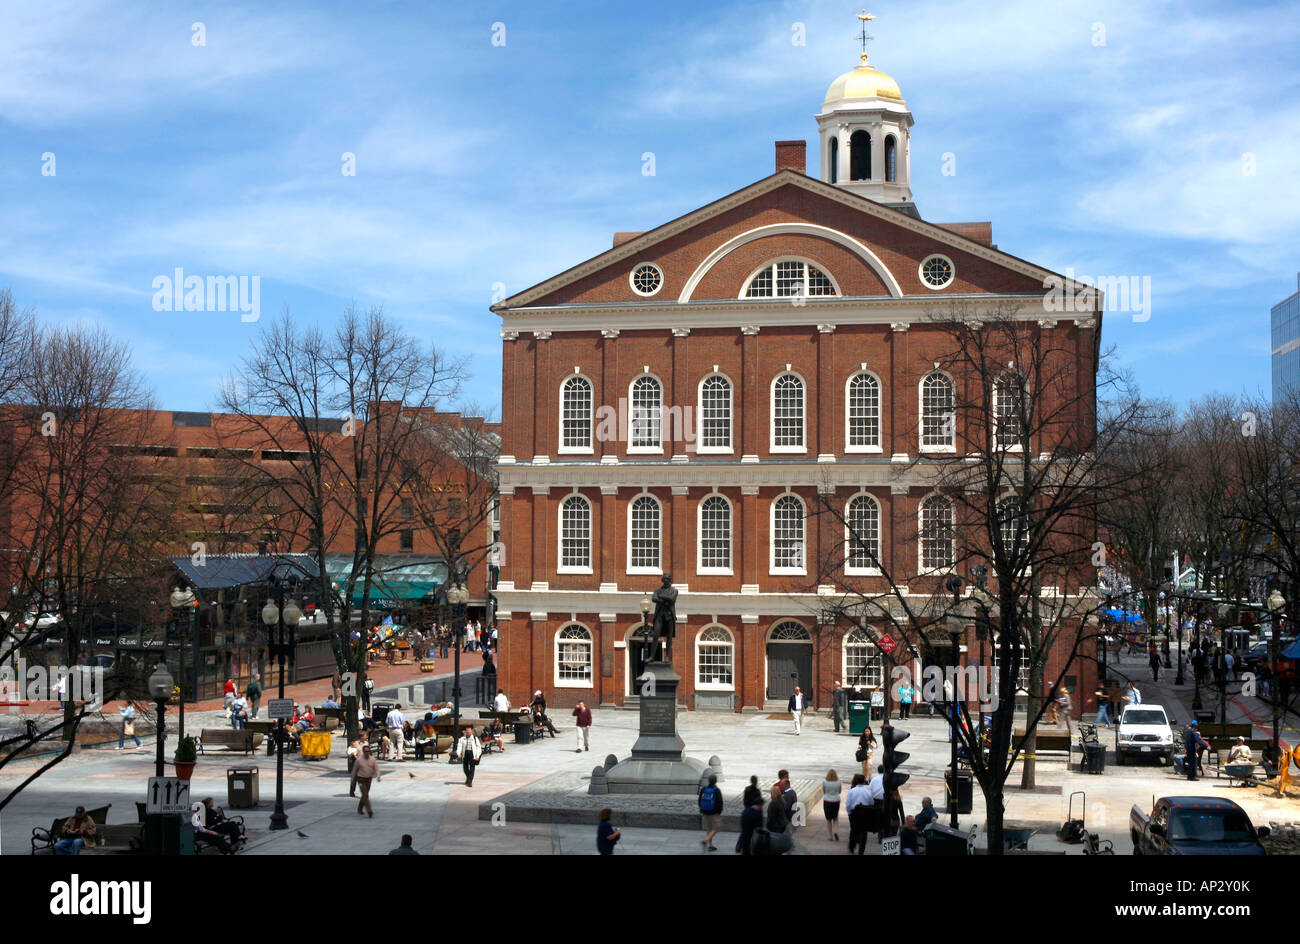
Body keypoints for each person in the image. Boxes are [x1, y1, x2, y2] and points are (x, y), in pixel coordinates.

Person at [764, 783, 794, 854]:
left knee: (774, 846)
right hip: (783, 825)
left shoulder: (773, 803)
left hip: (775, 827)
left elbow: (771, 817)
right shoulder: (782, 800)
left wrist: (767, 827)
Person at [845, 773, 871, 855]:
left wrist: (849, 813)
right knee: (863, 831)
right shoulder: (867, 792)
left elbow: (848, 804)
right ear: (864, 781)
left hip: (854, 813)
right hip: (865, 813)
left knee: (853, 830)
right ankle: (861, 850)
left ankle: (852, 846)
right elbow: (871, 802)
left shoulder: (852, 791)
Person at [353, 743, 380, 817]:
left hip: (368, 779)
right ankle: (369, 811)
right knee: (365, 795)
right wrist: (353, 779)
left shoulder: (372, 759)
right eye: (366, 751)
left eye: (368, 751)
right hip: (361, 779)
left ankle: (359, 808)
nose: (367, 753)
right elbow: (355, 770)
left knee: (365, 795)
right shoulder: (359, 760)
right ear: (363, 752)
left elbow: (376, 768)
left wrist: (378, 776)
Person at [698, 773, 723, 852]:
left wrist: (702, 809)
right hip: (713, 813)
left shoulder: (704, 789)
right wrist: (719, 812)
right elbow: (720, 802)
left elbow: (699, 800)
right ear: (716, 781)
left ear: (708, 781)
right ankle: (706, 841)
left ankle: (710, 846)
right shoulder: (716, 790)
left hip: (705, 812)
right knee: (716, 828)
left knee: (709, 829)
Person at [738, 788, 763, 855]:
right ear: (760, 804)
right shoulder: (758, 813)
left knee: (746, 847)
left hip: (746, 832)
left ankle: (739, 847)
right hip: (752, 833)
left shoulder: (746, 811)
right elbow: (759, 826)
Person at [822, 769, 842, 841]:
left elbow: (824, 791)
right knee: (835, 818)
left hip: (827, 801)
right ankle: (835, 831)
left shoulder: (825, 782)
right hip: (836, 801)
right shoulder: (838, 782)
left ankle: (830, 836)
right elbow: (839, 791)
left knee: (829, 819)